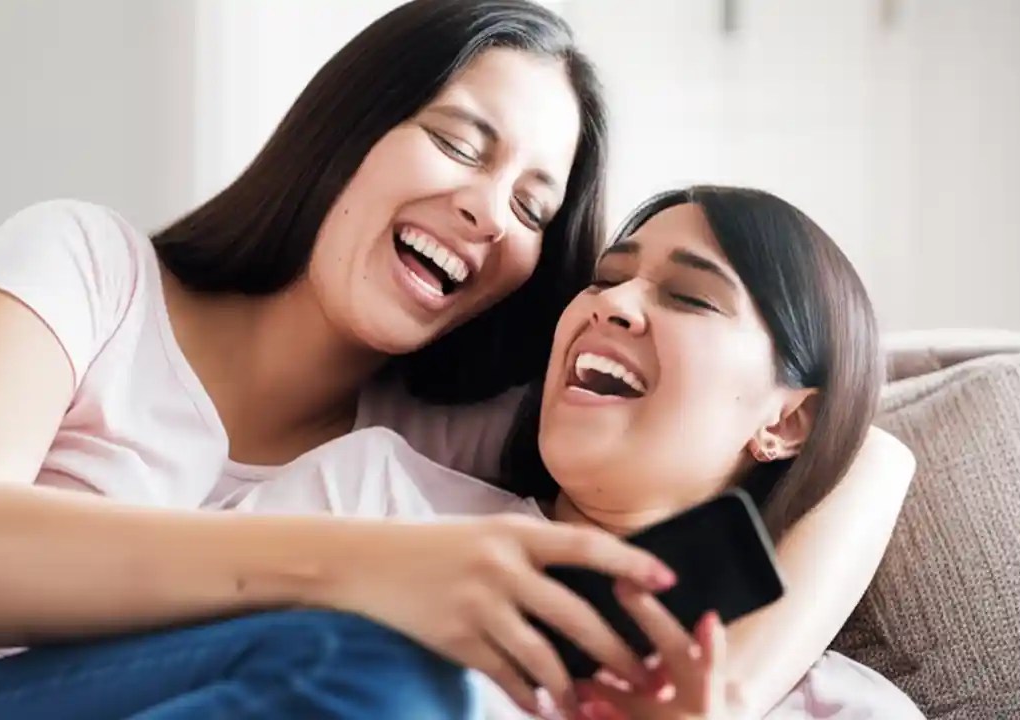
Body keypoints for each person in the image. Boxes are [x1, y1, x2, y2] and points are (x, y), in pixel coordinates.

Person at [0, 0, 913, 718]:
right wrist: (365, 572)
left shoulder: (446, 432)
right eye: (459, 142)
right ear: (347, 129)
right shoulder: (88, 265)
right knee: (379, 670)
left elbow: (870, 460)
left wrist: (726, 696)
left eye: (532, 203)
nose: (483, 210)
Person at [169, 186, 915, 720]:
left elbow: (879, 458)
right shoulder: (374, 495)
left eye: (689, 297)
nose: (611, 305)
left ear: (788, 423)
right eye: (608, 278)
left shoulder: (839, 707)